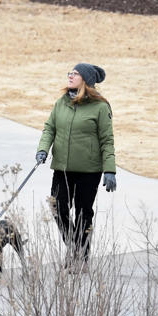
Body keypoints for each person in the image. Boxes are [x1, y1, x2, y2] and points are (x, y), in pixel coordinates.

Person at [35, 63, 116, 268]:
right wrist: (43, 149)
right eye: (70, 73)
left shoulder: (100, 107)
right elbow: (49, 128)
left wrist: (110, 170)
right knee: (57, 207)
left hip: (89, 171)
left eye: (76, 74)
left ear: (86, 80)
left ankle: (82, 259)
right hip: (62, 168)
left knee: (82, 213)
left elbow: (107, 140)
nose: (70, 76)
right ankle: (75, 248)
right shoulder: (61, 102)